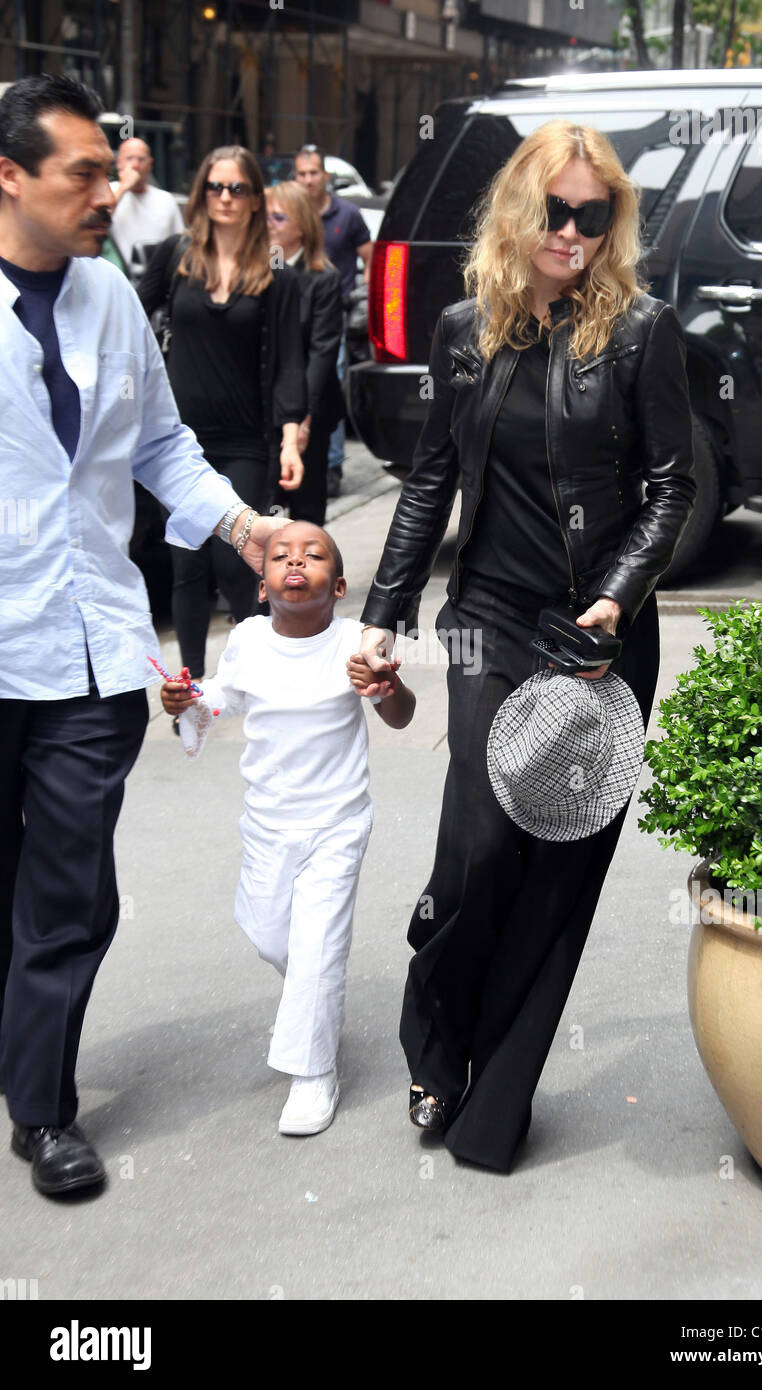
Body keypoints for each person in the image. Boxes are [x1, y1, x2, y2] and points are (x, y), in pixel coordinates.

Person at [357, 120, 696, 1173]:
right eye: (554, 210)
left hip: (594, 634)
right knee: (482, 848)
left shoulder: (642, 331)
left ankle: (494, 1096)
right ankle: (436, 1022)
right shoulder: (466, 328)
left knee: (557, 872)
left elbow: (673, 485)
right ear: (518, 208)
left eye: (593, 216)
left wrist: (617, 592)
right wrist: (384, 608)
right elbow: (426, 482)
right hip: (489, 623)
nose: (571, 233)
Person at [0, 75, 286, 1197]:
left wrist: (243, 523)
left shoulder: (111, 296)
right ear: (9, 176)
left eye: (106, 173)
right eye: (80, 172)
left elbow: (161, 444)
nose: (106, 193)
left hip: (90, 647)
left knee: (73, 889)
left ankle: (43, 1110)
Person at [161, 523, 415, 1135]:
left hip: (337, 822)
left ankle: (313, 1072)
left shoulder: (357, 641)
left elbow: (401, 714)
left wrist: (385, 687)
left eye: (313, 554)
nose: (295, 562)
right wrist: (189, 699)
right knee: (274, 938)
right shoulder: (247, 639)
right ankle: (311, 1001)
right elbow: (227, 695)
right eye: (280, 555)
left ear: (341, 584)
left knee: (316, 949)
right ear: (261, 585)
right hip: (268, 823)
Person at [139, 145, 305, 681]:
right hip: (179, 438)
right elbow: (131, 323)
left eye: (237, 188)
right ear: (202, 193)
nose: (225, 198)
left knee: (235, 558)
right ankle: (189, 684)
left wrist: (288, 440)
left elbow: (288, 361)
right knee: (186, 560)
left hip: (244, 439)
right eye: (216, 187)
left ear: (256, 198)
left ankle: (252, 672)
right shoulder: (176, 255)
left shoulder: (275, 272)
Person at [293, 144, 372, 499]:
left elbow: (370, 259)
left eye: (313, 173)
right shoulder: (288, 214)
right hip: (294, 313)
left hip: (335, 312)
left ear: (325, 176)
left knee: (330, 378)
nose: (308, 180)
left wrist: (362, 294)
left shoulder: (348, 215)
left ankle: (332, 464)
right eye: (302, 174)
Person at [266, 181, 344, 525]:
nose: (269, 224)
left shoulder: (322, 278)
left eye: (279, 218)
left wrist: (301, 420)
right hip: (266, 407)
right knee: (264, 503)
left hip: (312, 405)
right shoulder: (256, 271)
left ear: (303, 226)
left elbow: (322, 351)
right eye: (265, 216)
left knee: (307, 509)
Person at [109, 137, 184, 281]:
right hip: (118, 277)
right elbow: (101, 219)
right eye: (129, 158)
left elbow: (179, 243)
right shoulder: (109, 192)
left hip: (156, 280)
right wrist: (124, 187)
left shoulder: (166, 200)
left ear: (150, 164)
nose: (135, 165)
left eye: (141, 159)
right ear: (119, 163)